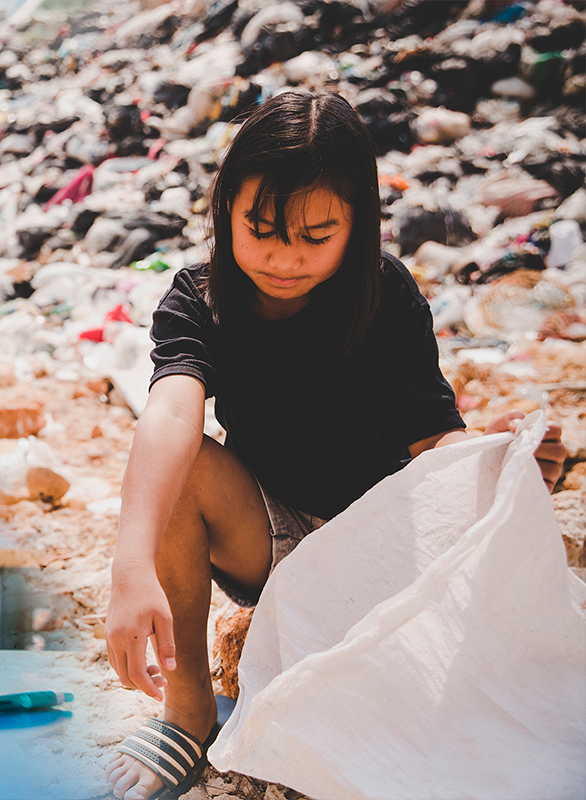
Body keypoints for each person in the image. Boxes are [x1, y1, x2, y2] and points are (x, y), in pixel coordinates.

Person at [103, 90, 566, 800]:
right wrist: (131, 563)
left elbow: (434, 436)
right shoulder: (200, 298)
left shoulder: (385, 295)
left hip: (380, 551)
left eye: (316, 235)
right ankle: (189, 708)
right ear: (225, 209)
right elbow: (170, 412)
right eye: (261, 229)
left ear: (359, 224)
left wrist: (496, 465)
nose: (284, 257)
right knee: (184, 462)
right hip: (269, 541)